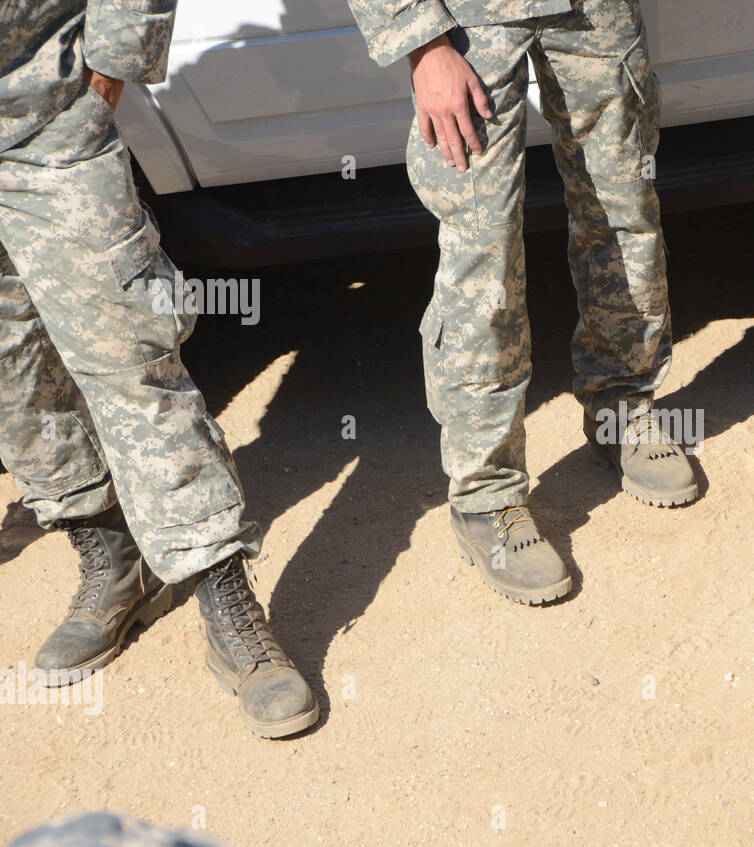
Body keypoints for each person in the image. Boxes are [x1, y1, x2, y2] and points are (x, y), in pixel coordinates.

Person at [0, 1, 319, 736]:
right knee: (13, 380)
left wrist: (106, 76)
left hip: (46, 127)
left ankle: (226, 602)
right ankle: (111, 558)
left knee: (131, 366)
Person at [344, 0, 698, 605]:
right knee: (485, 256)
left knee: (623, 215)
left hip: (595, 12)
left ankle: (623, 409)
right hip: (465, 20)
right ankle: (488, 496)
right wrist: (423, 45)